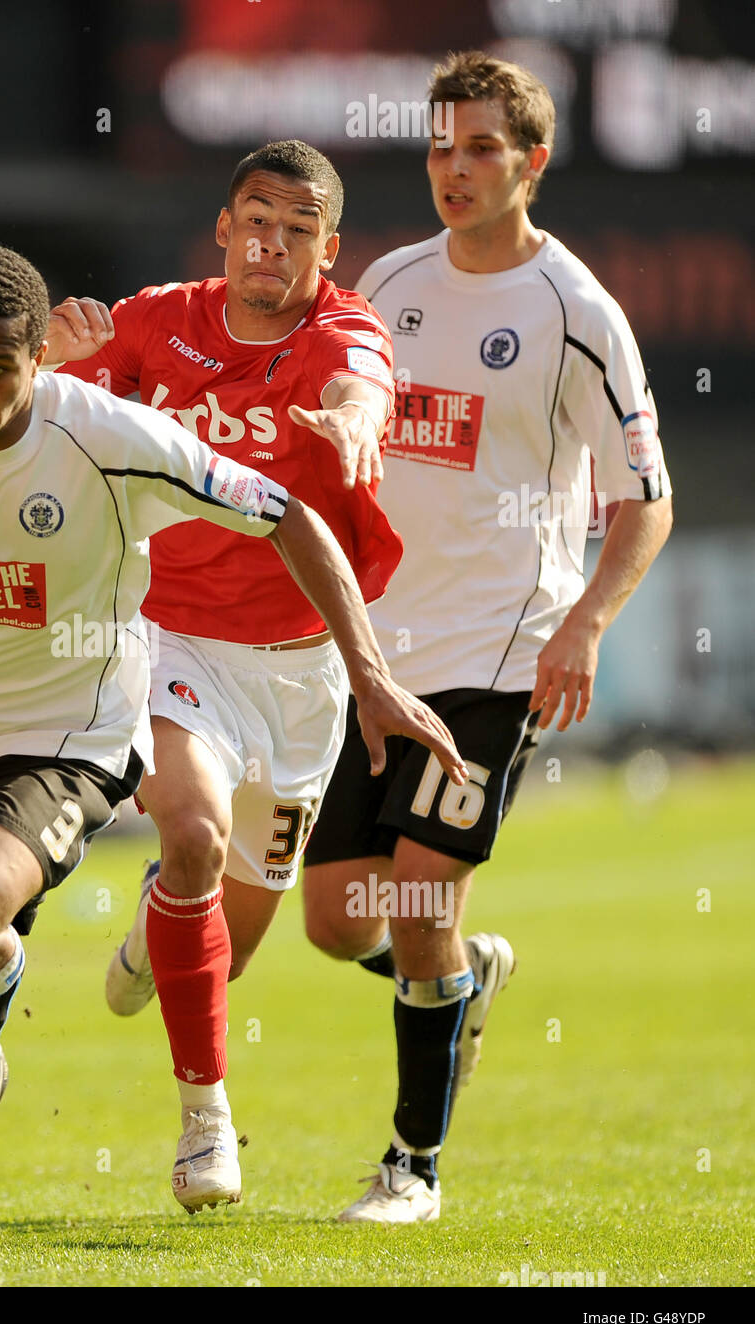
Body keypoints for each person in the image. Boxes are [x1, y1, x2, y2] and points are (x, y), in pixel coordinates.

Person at [0, 242, 465, 1245]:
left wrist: (369, 673)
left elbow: (290, 516)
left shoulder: (106, 435)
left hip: (63, 736)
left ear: (36, 357)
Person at [301, 51, 674, 1222]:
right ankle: (462, 984)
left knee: (417, 900)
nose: (452, 171)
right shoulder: (392, 279)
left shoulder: (577, 313)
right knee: (335, 919)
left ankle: (411, 1165)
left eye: (478, 150)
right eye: (437, 147)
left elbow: (645, 494)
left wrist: (585, 624)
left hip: (497, 654)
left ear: (532, 161)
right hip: (378, 647)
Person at [44, 140, 413, 1212]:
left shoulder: (340, 330)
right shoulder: (160, 320)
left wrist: (351, 419)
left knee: (226, 951)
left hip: (301, 672)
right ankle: (206, 1123)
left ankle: (163, 916)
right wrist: (52, 357)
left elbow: (364, 384)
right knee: (194, 832)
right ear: (222, 226)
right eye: (256, 218)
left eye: (298, 229)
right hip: (173, 638)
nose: (272, 242)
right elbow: (46, 410)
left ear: (327, 250)